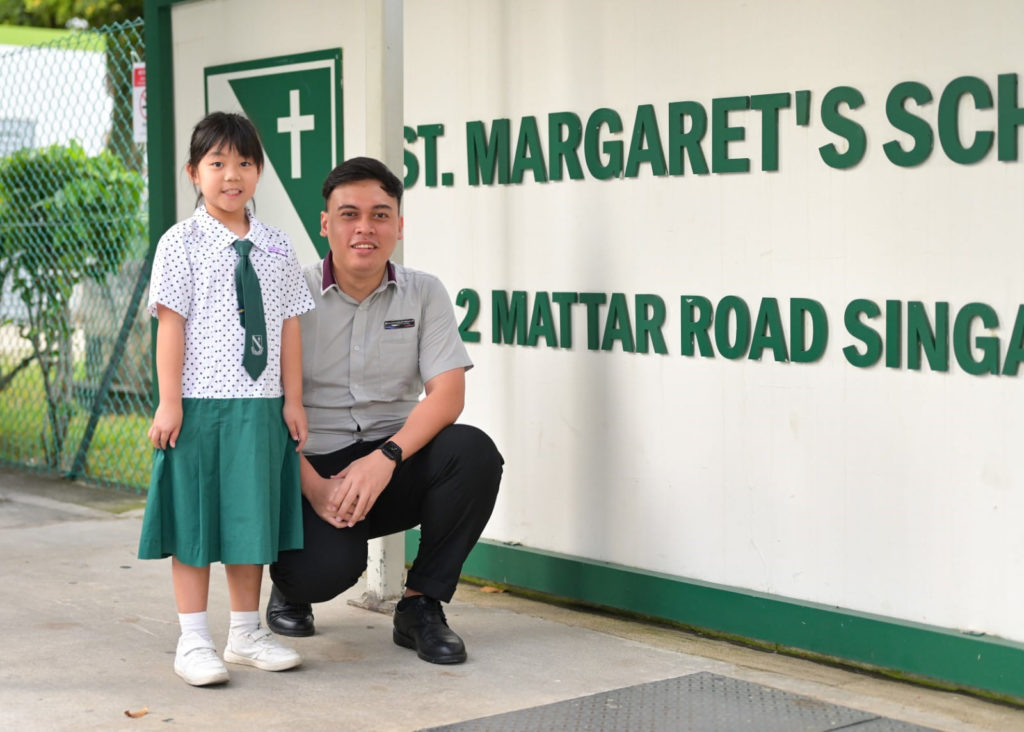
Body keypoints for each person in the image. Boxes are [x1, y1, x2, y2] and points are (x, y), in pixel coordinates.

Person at [265, 156, 503, 665]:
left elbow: (448, 395)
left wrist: (386, 457)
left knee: (474, 453)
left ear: (398, 224)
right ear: (325, 224)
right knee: (321, 571)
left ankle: (421, 606)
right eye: (349, 214)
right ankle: (290, 589)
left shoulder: (425, 293)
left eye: (379, 214)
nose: (364, 228)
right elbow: (263, 407)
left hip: (392, 461)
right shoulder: (289, 295)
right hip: (311, 464)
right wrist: (314, 484)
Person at [138, 112, 316, 686]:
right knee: (193, 522)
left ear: (259, 172)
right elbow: (171, 325)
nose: (230, 175)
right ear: (194, 172)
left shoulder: (276, 245)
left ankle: (245, 632)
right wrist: (170, 403)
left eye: (243, 163)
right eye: (217, 163)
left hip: (260, 405)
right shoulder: (180, 242)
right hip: (198, 404)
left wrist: (293, 400)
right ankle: (193, 640)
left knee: (249, 520)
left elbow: (289, 325)